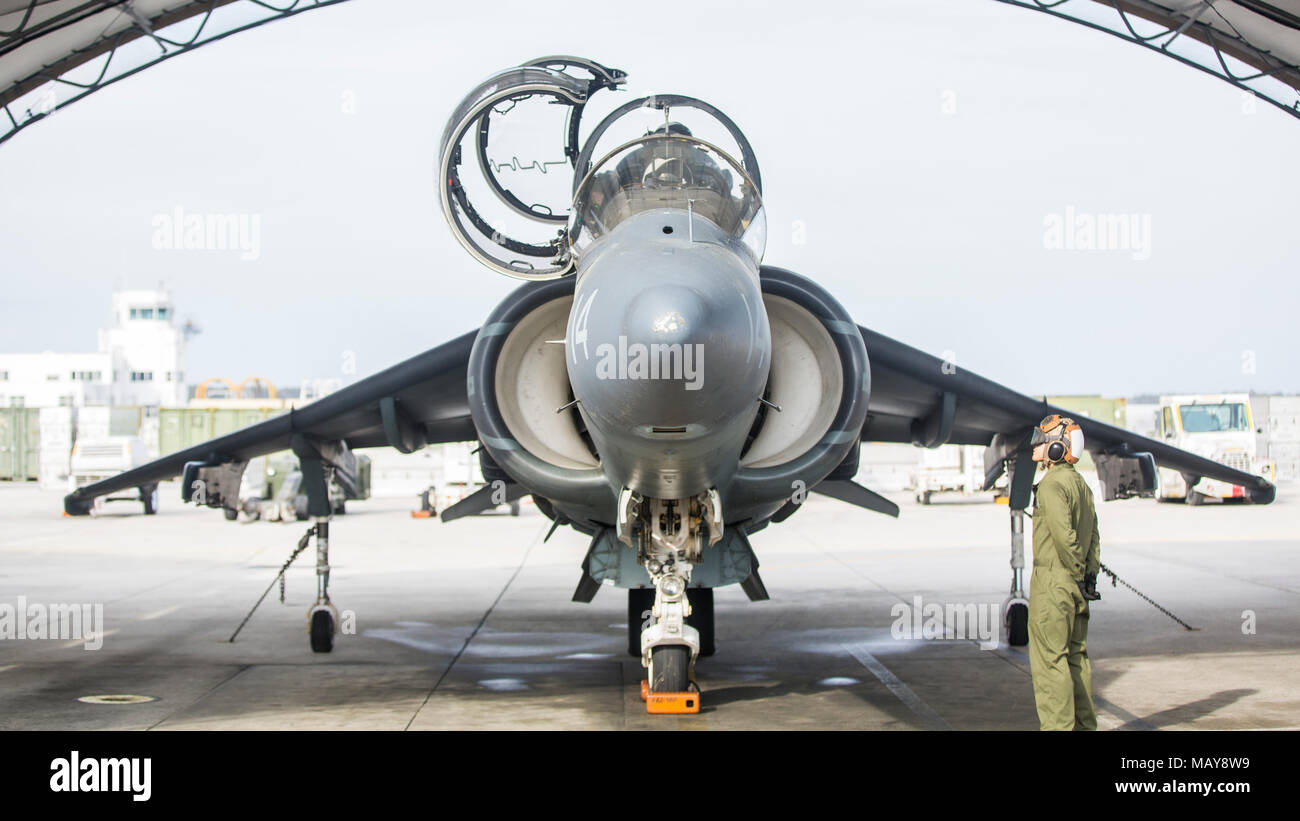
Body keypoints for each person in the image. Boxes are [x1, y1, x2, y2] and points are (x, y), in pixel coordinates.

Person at [1027, 414, 1102, 731]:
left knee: (1050, 663)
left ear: (1058, 447)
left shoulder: (1051, 486)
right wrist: (1088, 576)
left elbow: (1065, 537)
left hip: (1053, 586)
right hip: (1076, 587)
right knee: (1076, 659)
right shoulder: (1080, 485)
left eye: (1041, 441)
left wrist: (1073, 570)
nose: (1035, 445)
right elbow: (1093, 537)